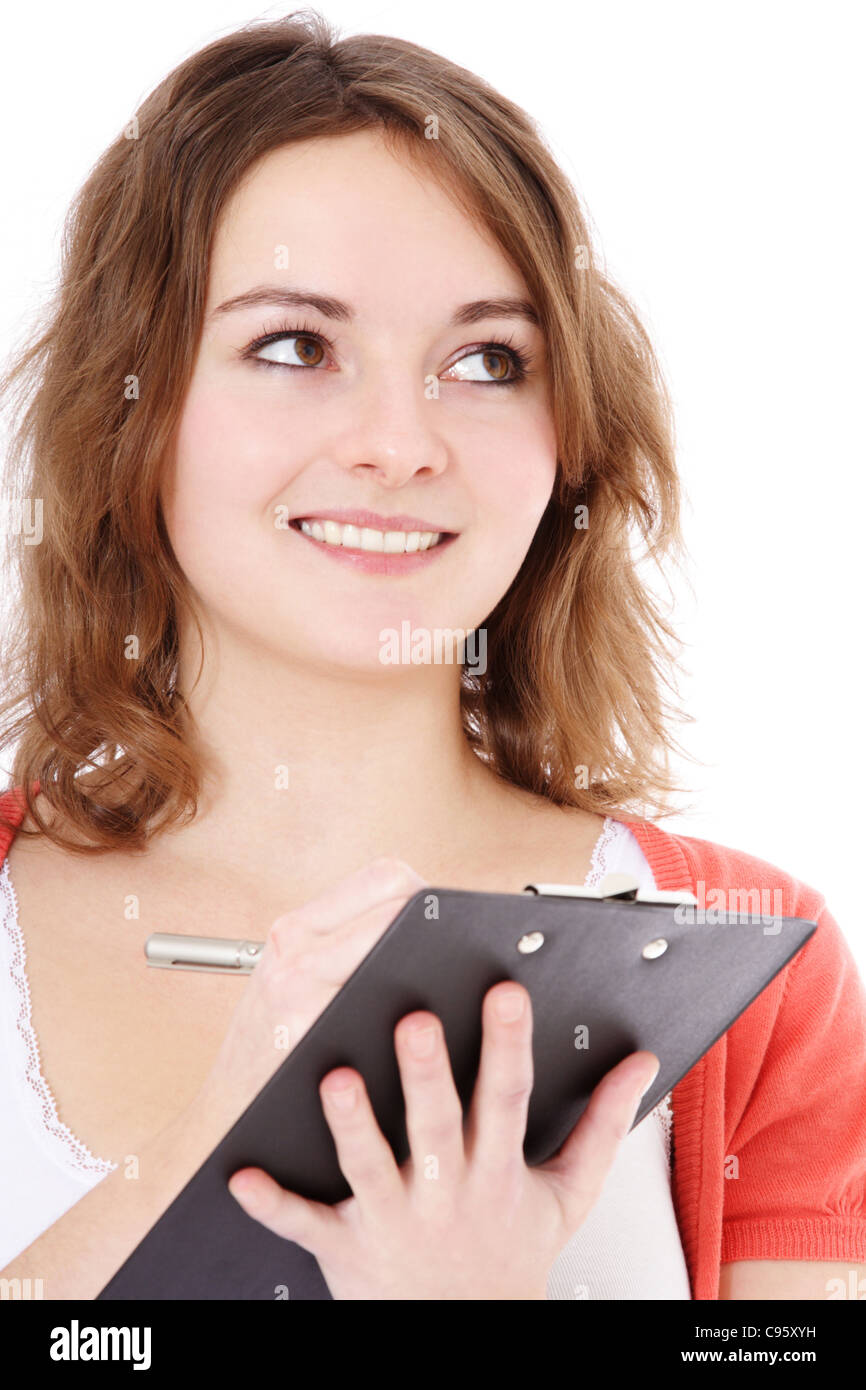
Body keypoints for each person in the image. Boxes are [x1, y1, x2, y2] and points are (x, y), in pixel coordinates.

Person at [0, 11, 864, 1302]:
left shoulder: (757, 966)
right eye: (293, 344)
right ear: (137, 402)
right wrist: (219, 1131)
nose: (398, 443)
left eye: (484, 359)